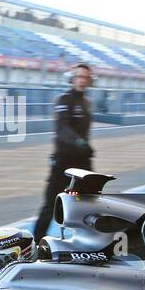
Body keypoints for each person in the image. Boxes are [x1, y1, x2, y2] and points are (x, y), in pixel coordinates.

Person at [33, 63, 94, 241]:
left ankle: (85, 241)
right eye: (79, 76)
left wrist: (86, 147)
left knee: (88, 201)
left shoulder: (87, 103)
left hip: (83, 162)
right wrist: (79, 141)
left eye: (86, 77)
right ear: (72, 78)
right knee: (51, 204)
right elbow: (62, 128)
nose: (82, 80)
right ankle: (36, 242)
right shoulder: (63, 100)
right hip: (63, 162)